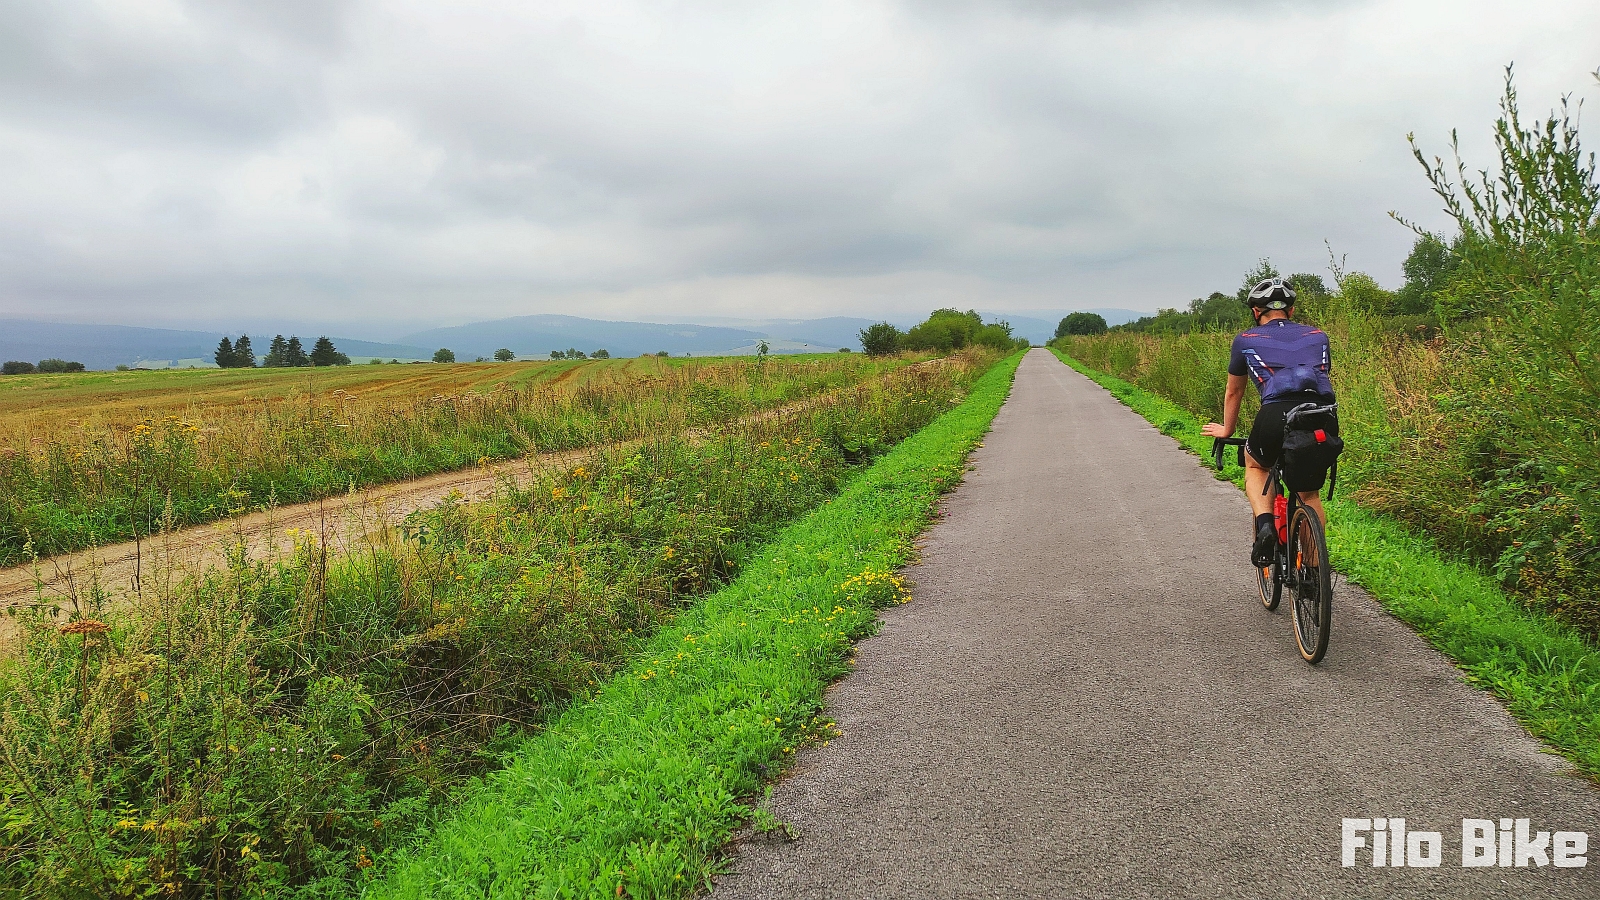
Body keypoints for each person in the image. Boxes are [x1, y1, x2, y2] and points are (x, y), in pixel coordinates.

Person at [1201, 277, 1337, 566]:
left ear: (1255, 311)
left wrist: (1227, 429)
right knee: (1308, 493)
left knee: (1256, 465)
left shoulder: (1246, 339)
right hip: (1321, 415)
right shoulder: (1319, 335)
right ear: (1291, 310)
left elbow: (1233, 391)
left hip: (1276, 413)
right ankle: (1313, 577)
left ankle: (1265, 525)